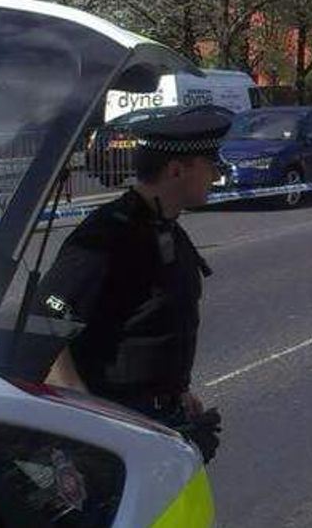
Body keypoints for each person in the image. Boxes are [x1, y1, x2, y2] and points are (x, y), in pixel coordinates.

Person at [37, 105, 229, 461]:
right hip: (117, 425)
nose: (217, 176)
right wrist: (92, 428)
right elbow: (44, 323)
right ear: (176, 170)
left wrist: (178, 392)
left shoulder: (164, 225)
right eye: (211, 166)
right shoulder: (108, 235)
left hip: (157, 417)